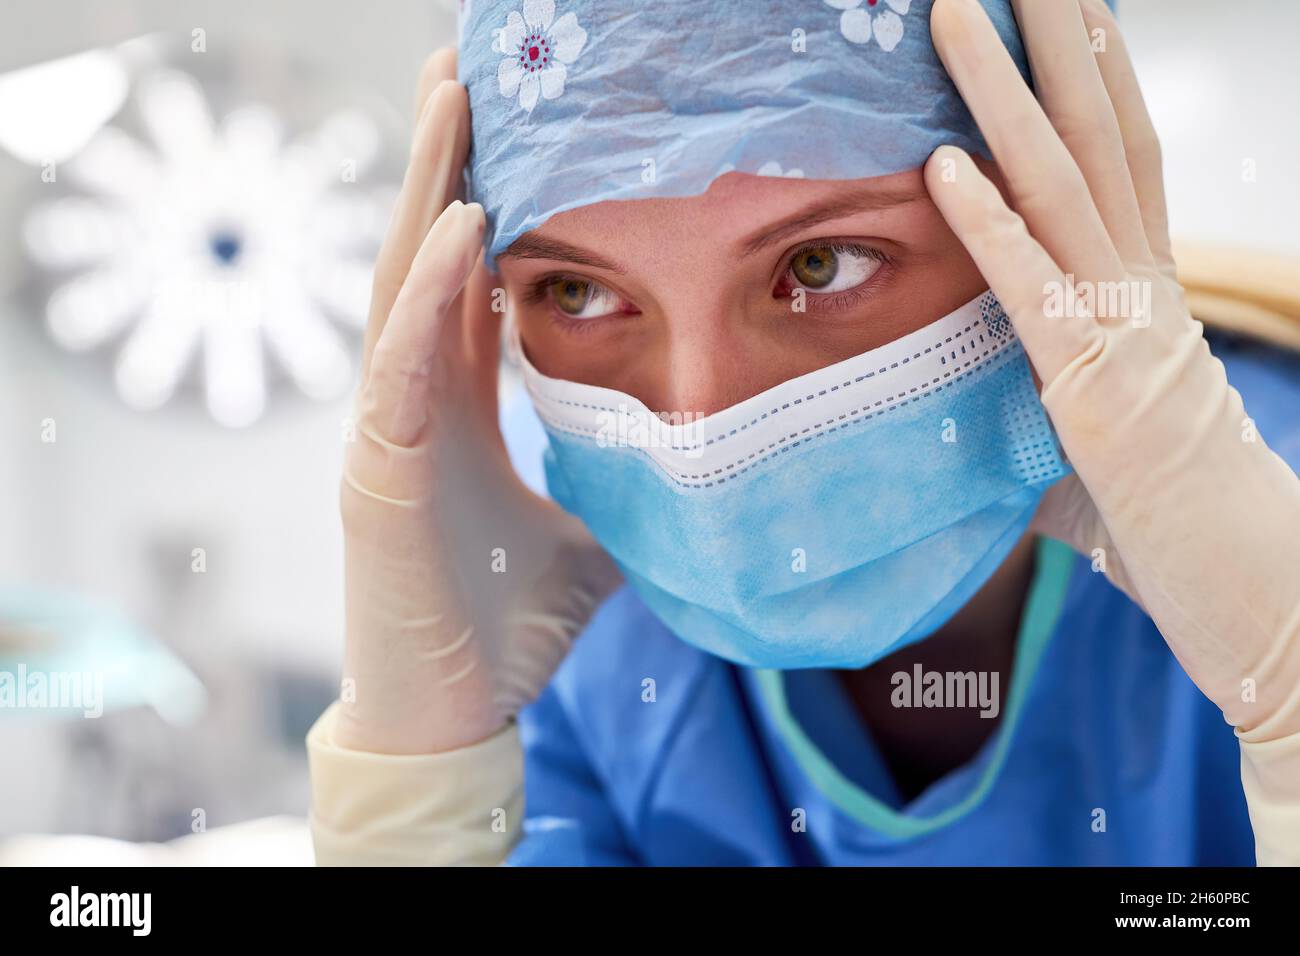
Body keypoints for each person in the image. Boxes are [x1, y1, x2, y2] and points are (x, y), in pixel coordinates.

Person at [306, 0, 1300, 865]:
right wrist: (415, 776)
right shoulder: (550, 618)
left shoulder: (1263, 533)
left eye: (821, 263)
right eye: (577, 289)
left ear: (1048, 211)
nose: (698, 430)